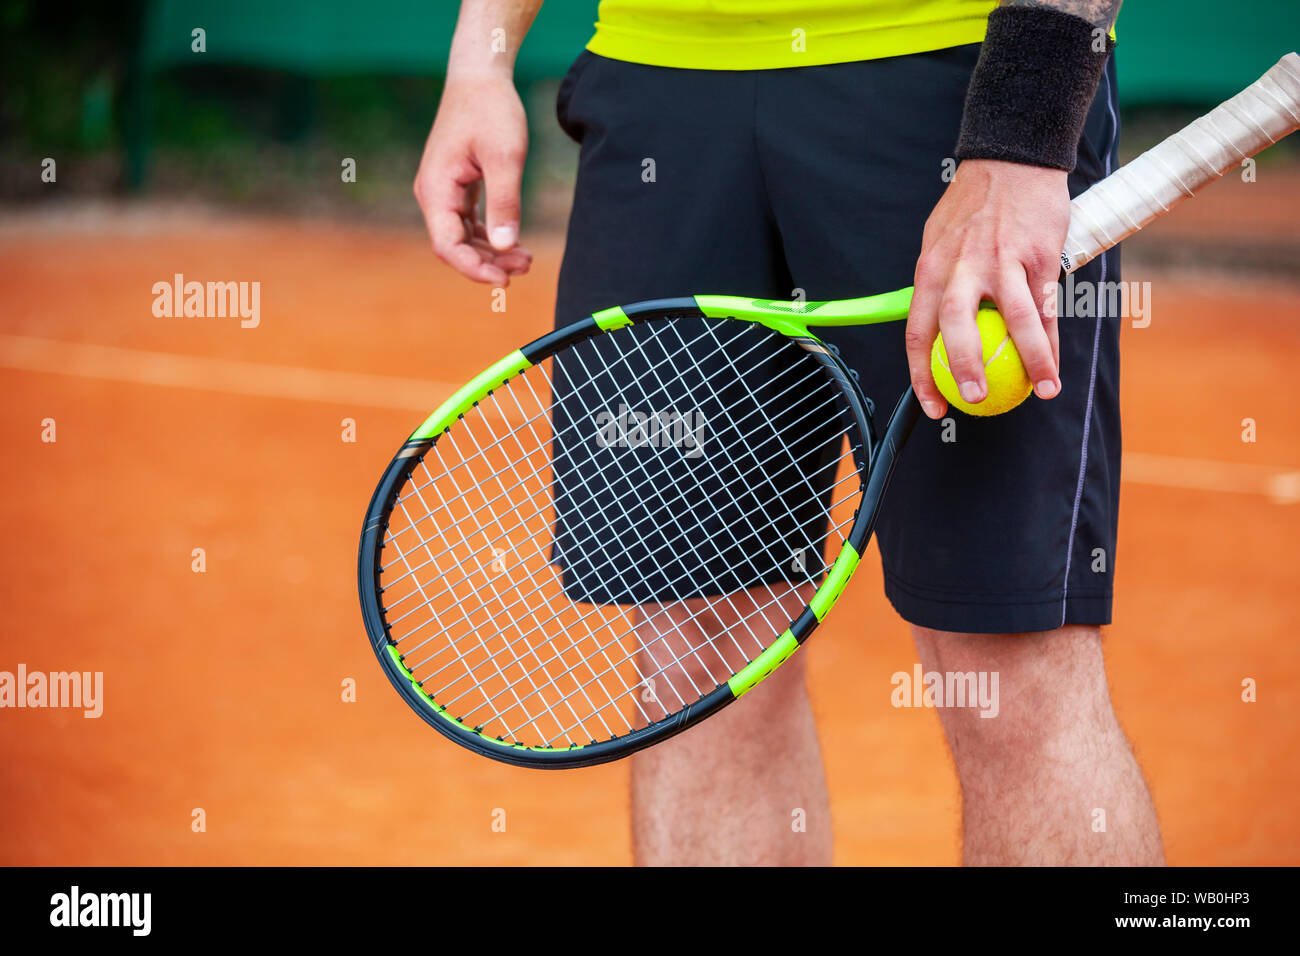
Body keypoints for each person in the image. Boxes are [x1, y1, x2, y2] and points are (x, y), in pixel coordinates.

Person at [414, 0, 1165, 866]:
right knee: (694, 661)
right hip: (660, 82)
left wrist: (1023, 128)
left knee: (1008, 667)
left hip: (951, 81)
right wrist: (482, 55)